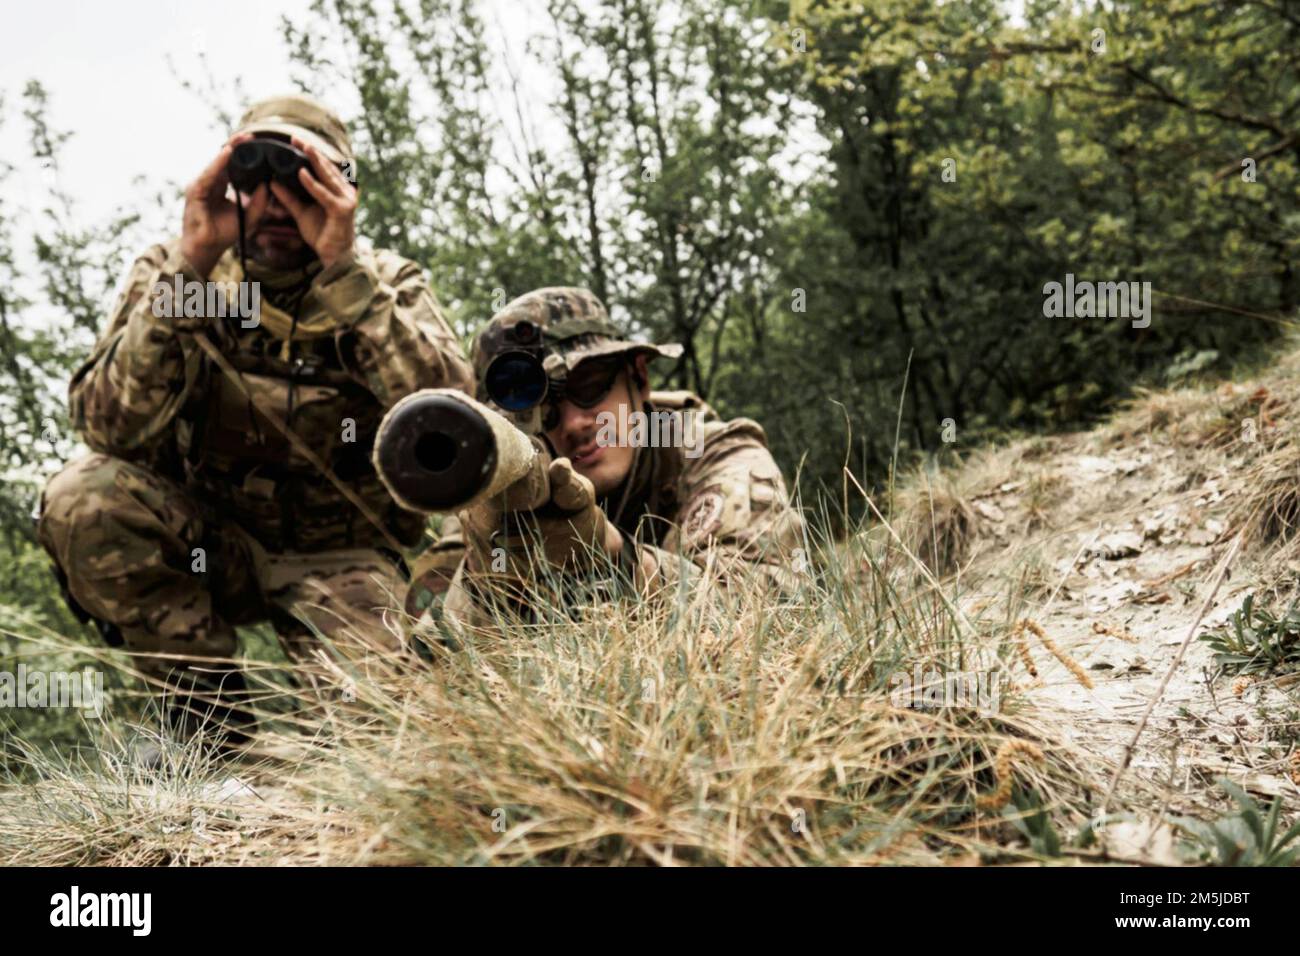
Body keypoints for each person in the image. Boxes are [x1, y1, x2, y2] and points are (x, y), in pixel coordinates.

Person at [36, 94, 474, 751]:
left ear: (340, 189)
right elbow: (107, 428)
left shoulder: (382, 283)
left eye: (301, 176)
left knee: (390, 745)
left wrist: (345, 276)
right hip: (214, 544)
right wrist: (193, 268)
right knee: (84, 498)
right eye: (256, 176)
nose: (276, 201)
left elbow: (457, 432)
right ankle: (209, 731)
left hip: (342, 560)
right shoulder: (180, 271)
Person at [413, 286, 805, 632]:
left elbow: (768, 606)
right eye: (541, 407)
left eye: (589, 386)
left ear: (639, 377)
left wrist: (613, 557)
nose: (575, 423)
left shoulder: (710, 451)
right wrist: (490, 585)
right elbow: (430, 663)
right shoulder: (492, 509)